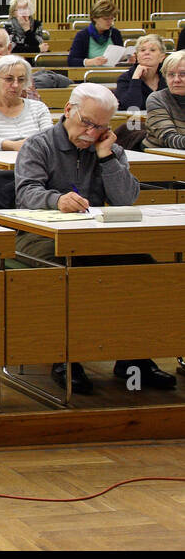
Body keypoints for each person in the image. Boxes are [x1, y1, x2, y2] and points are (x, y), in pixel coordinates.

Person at [14, 83, 173, 392]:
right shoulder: (38, 145)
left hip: (95, 236)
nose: (91, 132)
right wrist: (56, 200)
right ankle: (65, 357)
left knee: (144, 269)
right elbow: (26, 193)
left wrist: (106, 157)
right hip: (40, 235)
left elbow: (126, 199)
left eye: (100, 126)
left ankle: (134, 359)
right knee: (65, 273)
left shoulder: (110, 149)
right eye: (87, 122)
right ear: (69, 111)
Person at [0, 55, 52, 151]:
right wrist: (17, 146)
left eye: (21, 80)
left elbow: (48, 138)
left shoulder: (39, 108)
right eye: (9, 79)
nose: (15, 85)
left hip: (37, 163)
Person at [145, 49, 185, 150]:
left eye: (183, 74)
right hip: (158, 159)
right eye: (171, 74)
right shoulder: (157, 99)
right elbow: (169, 139)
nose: (176, 80)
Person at [67, 0, 126, 68]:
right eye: (106, 19)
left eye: (112, 18)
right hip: (90, 75)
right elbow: (71, 61)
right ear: (95, 18)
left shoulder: (115, 34)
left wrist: (126, 59)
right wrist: (90, 62)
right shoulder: (82, 35)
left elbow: (120, 58)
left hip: (113, 74)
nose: (110, 22)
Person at [114, 34, 166, 111]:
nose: (147, 53)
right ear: (137, 56)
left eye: (152, 50)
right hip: (136, 122)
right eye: (142, 50)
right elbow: (131, 107)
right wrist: (135, 79)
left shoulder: (169, 77)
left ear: (162, 57)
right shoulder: (125, 78)